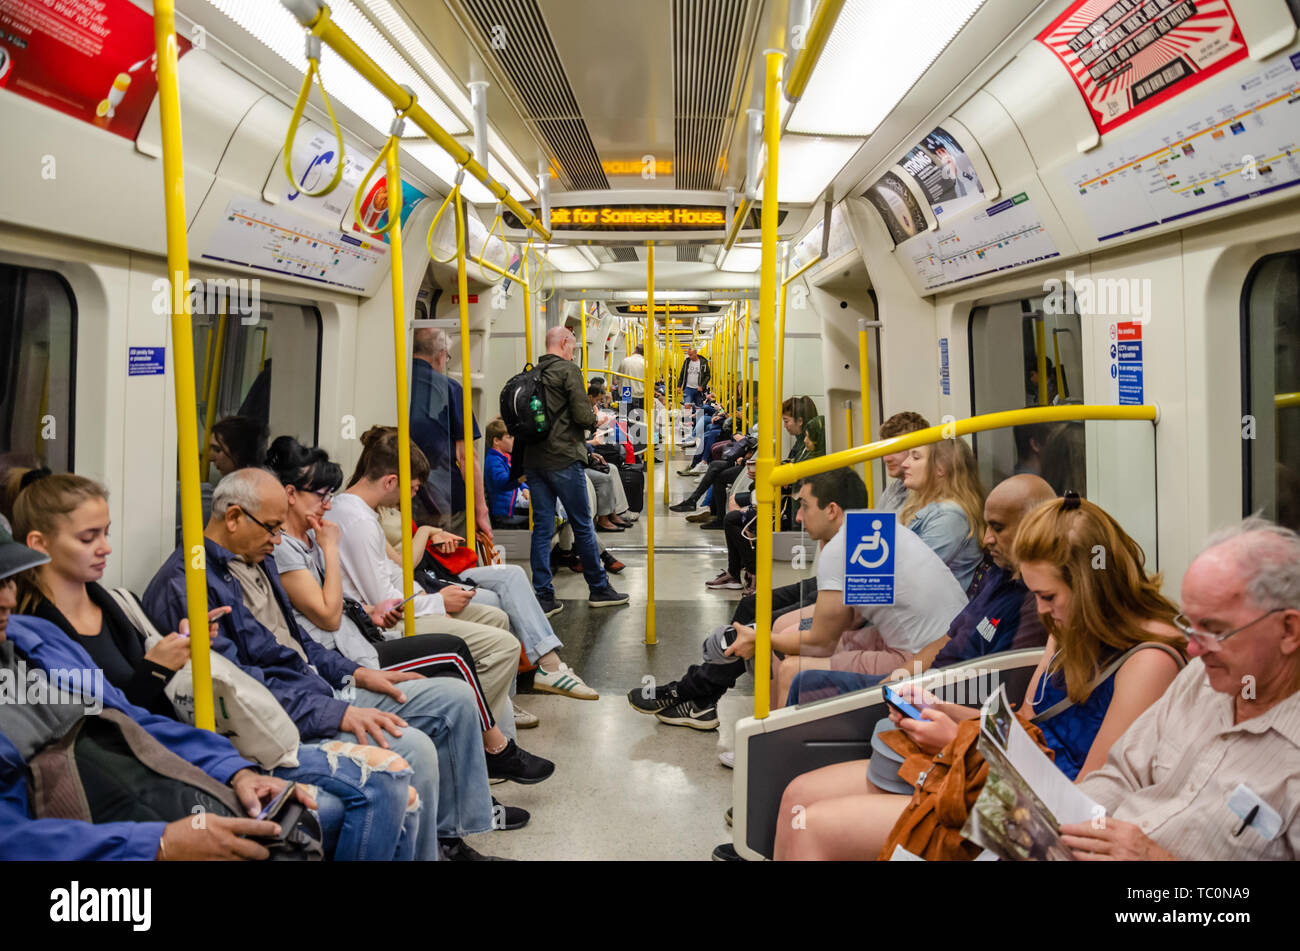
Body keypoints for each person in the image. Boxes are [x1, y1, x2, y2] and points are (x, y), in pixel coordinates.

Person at [12, 472, 418, 861]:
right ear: (38, 543)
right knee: (378, 786)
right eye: (88, 537)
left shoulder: (118, 604)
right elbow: (110, 723)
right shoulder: (35, 639)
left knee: (397, 785)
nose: (105, 548)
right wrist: (158, 669)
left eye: (105, 533)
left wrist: (234, 766)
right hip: (142, 773)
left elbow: (285, 650)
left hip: (197, 745)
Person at [772, 493, 1185, 860]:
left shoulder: (1148, 662)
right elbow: (1028, 725)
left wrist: (962, 743)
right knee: (796, 798)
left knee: (808, 825)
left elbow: (1086, 799)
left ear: (1092, 588)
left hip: (1041, 822)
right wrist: (946, 712)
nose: (1042, 612)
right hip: (1008, 778)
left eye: (1048, 596)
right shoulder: (1067, 627)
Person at [143, 467, 510, 861]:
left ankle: (449, 841)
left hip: (316, 688)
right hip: (281, 721)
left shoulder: (257, 559)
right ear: (233, 518)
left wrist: (355, 672)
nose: (277, 540)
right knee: (414, 749)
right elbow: (243, 693)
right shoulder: (191, 587)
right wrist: (337, 712)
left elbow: (298, 644)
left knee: (453, 698)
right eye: (270, 528)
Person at [0, 528, 329, 861]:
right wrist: (157, 844)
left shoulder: (34, 635)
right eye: (87, 538)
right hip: (97, 843)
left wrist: (235, 771)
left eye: (8, 581)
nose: (8, 601)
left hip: (149, 795)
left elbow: (132, 720)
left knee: (296, 832)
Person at [1060, 517, 1300, 860]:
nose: (1192, 650)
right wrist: (1066, 826)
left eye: (1215, 630)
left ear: (1289, 631)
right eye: (1189, 625)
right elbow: (1121, 775)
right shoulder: (1201, 678)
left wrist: (1156, 858)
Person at [330, 427, 580, 741]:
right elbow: (384, 601)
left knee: (497, 616)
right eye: (412, 487)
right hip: (382, 626)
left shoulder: (363, 514)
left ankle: (503, 720)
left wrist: (429, 596)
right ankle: (483, 739)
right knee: (503, 647)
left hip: (409, 598)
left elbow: (394, 576)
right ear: (390, 481)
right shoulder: (359, 524)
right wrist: (437, 603)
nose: (412, 496)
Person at [786, 473, 1055, 710]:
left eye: (916, 456)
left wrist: (908, 690)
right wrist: (899, 678)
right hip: (920, 671)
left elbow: (998, 696)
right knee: (793, 647)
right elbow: (948, 636)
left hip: (936, 691)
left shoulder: (1033, 606)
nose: (986, 540)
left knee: (796, 671)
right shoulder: (998, 576)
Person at [518, 326, 628, 612]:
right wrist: (597, 421)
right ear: (566, 343)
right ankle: (599, 588)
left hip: (534, 461)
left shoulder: (532, 372)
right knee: (582, 523)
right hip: (564, 458)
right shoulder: (568, 371)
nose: (573, 351)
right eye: (574, 346)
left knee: (542, 527)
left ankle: (543, 595)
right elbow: (581, 415)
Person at [410, 328, 492, 542]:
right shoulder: (450, 389)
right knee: (455, 561)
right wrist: (480, 508)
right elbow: (466, 456)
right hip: (443, 499)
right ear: (440, 354)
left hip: (401, 497)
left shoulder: (395, 384)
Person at [898, 437, 986, 590]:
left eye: (915, 457)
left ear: (940, 468)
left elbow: (906, 577)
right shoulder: (924, 508)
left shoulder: (949, 518)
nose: (904, 464)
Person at [875, 411, 931, 513]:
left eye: (896, 450)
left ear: (917, 449)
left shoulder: (933, 496)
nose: (886, 458)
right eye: (884, 450)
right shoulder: (894, 489)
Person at [484, 418, 530, 529]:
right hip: (506, 511)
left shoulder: (506, 458)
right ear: (496, 441)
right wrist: (522, 477)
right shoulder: (493, 460)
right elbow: (503, 481)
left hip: (512, 505)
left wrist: (524, 488)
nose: (513, 440)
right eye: (509, 437)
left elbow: (516, 479)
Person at [616, 344, 645, 412]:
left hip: (626, 391)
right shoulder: (646, 363)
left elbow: (617, 377)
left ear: (635, 350)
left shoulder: (625, 361)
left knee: (623, 417)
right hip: (640, 393)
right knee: (638, 418)